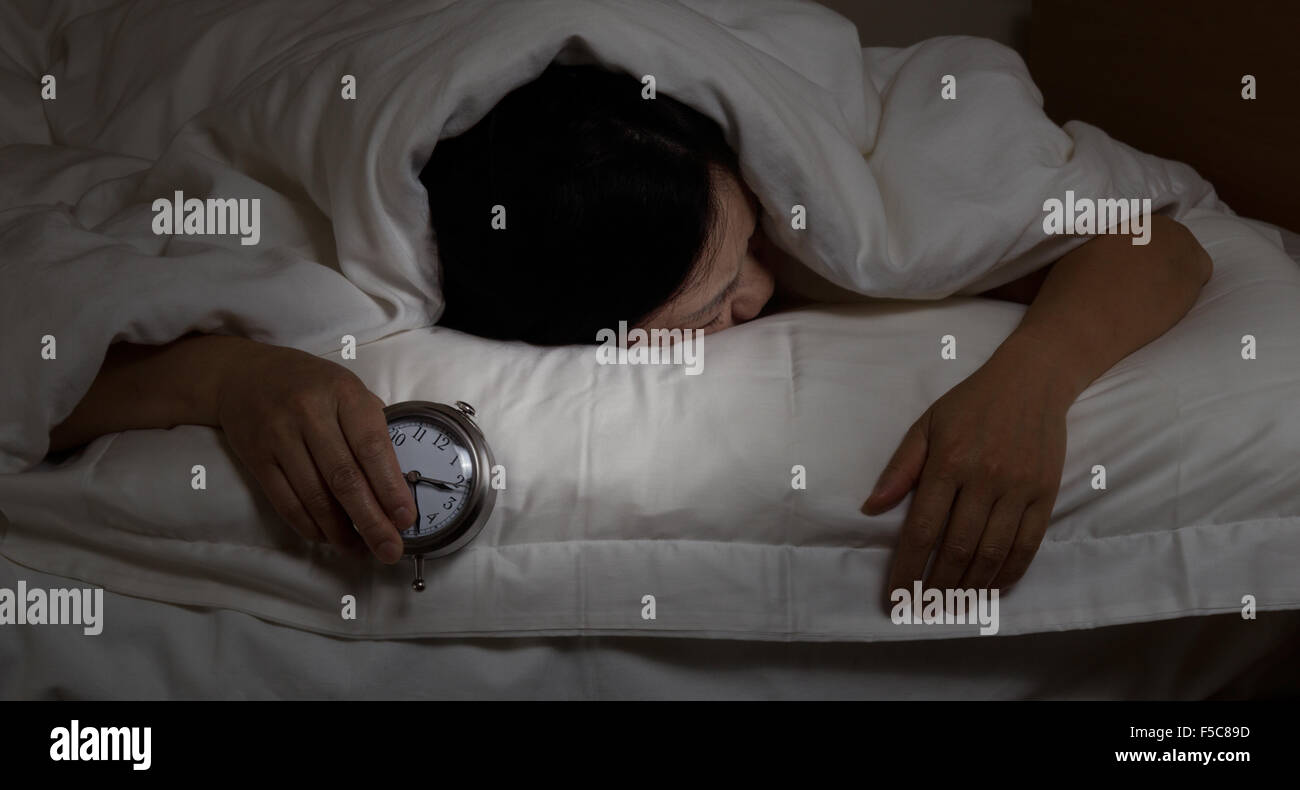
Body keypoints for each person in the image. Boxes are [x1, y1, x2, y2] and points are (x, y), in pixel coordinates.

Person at [49, 64, 1212, 606]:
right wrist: (236, 374)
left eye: (751, 243)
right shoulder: (396, 232)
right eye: (709, 308)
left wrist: (1029, 387)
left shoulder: (722, 140)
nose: (761, 291)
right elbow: (47, 344)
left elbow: (1155, 236)